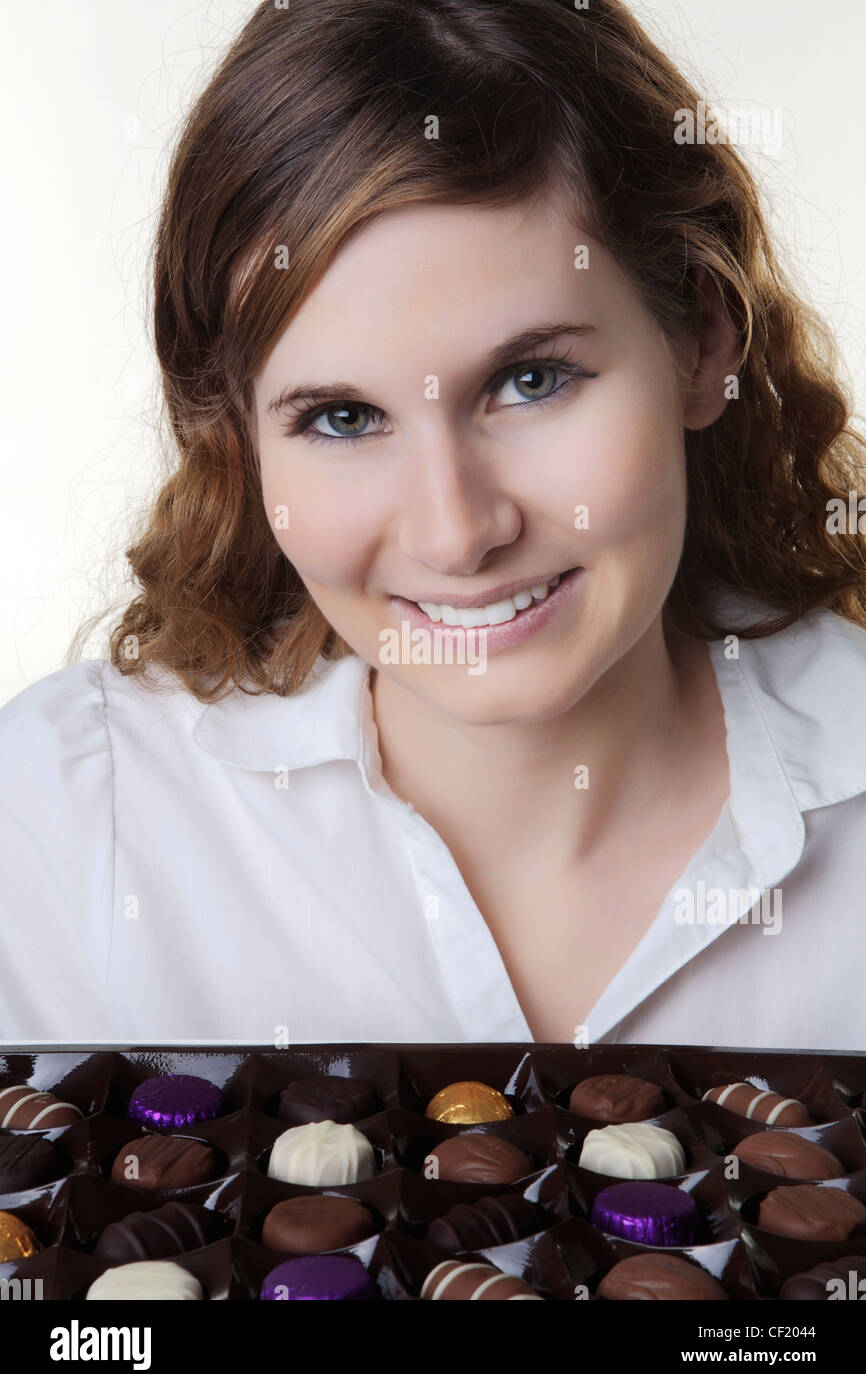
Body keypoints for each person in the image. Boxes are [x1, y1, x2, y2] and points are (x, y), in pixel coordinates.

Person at [2, 0, 865, 1046]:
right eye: (343, 417)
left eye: (529, 379)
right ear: (238, 433)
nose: (456, 533)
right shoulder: (56, 826)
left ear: (702, 337)